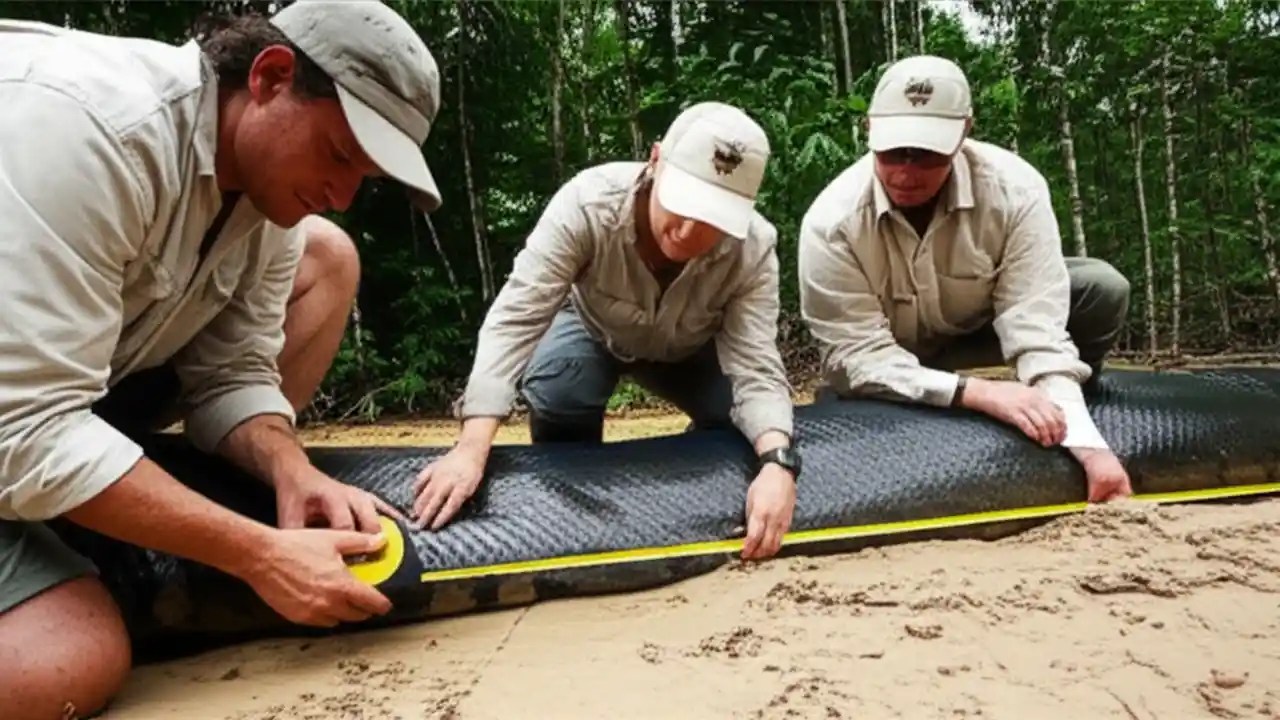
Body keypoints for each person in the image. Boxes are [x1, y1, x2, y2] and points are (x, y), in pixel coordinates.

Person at [0, 2, 442, 717]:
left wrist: (289, 469)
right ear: (270, 76)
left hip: (46, 387)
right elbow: (23, 430)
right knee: (66, 659)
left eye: (367, 177)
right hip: (13, 415)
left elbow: (233, 374)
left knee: (325, 252)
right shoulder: (91, 132)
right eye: (338, 154)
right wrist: (256, 554)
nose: (342, 194)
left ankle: (98, 507)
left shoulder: (264, 195)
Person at [411, 102, 802, 561]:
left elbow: (755, 365)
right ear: (655, 161)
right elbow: (517, 316)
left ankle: (703, 476)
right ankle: (569, 496)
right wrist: (471, 448)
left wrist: (778, 463)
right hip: (592, 329)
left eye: (714, 217)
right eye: (684, 201)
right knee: (560, 386)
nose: (690, 229)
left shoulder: (754, 248)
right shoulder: (586, 204)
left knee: (741, 422)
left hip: (693, 348)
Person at [798, 54, 1133, 503]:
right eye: (894, 151)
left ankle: (1059, 405)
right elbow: (855, 354)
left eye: (927, 155)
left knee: (1100, 289)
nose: (906, 172)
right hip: (887, 357)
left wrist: (1088, 447)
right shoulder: (831, 222)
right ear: (869, 130)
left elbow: (1036, 327)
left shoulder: (1016, 191)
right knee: (857, 384)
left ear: (964, 133)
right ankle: (901, 407)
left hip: (973, 331)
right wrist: (979, 394)